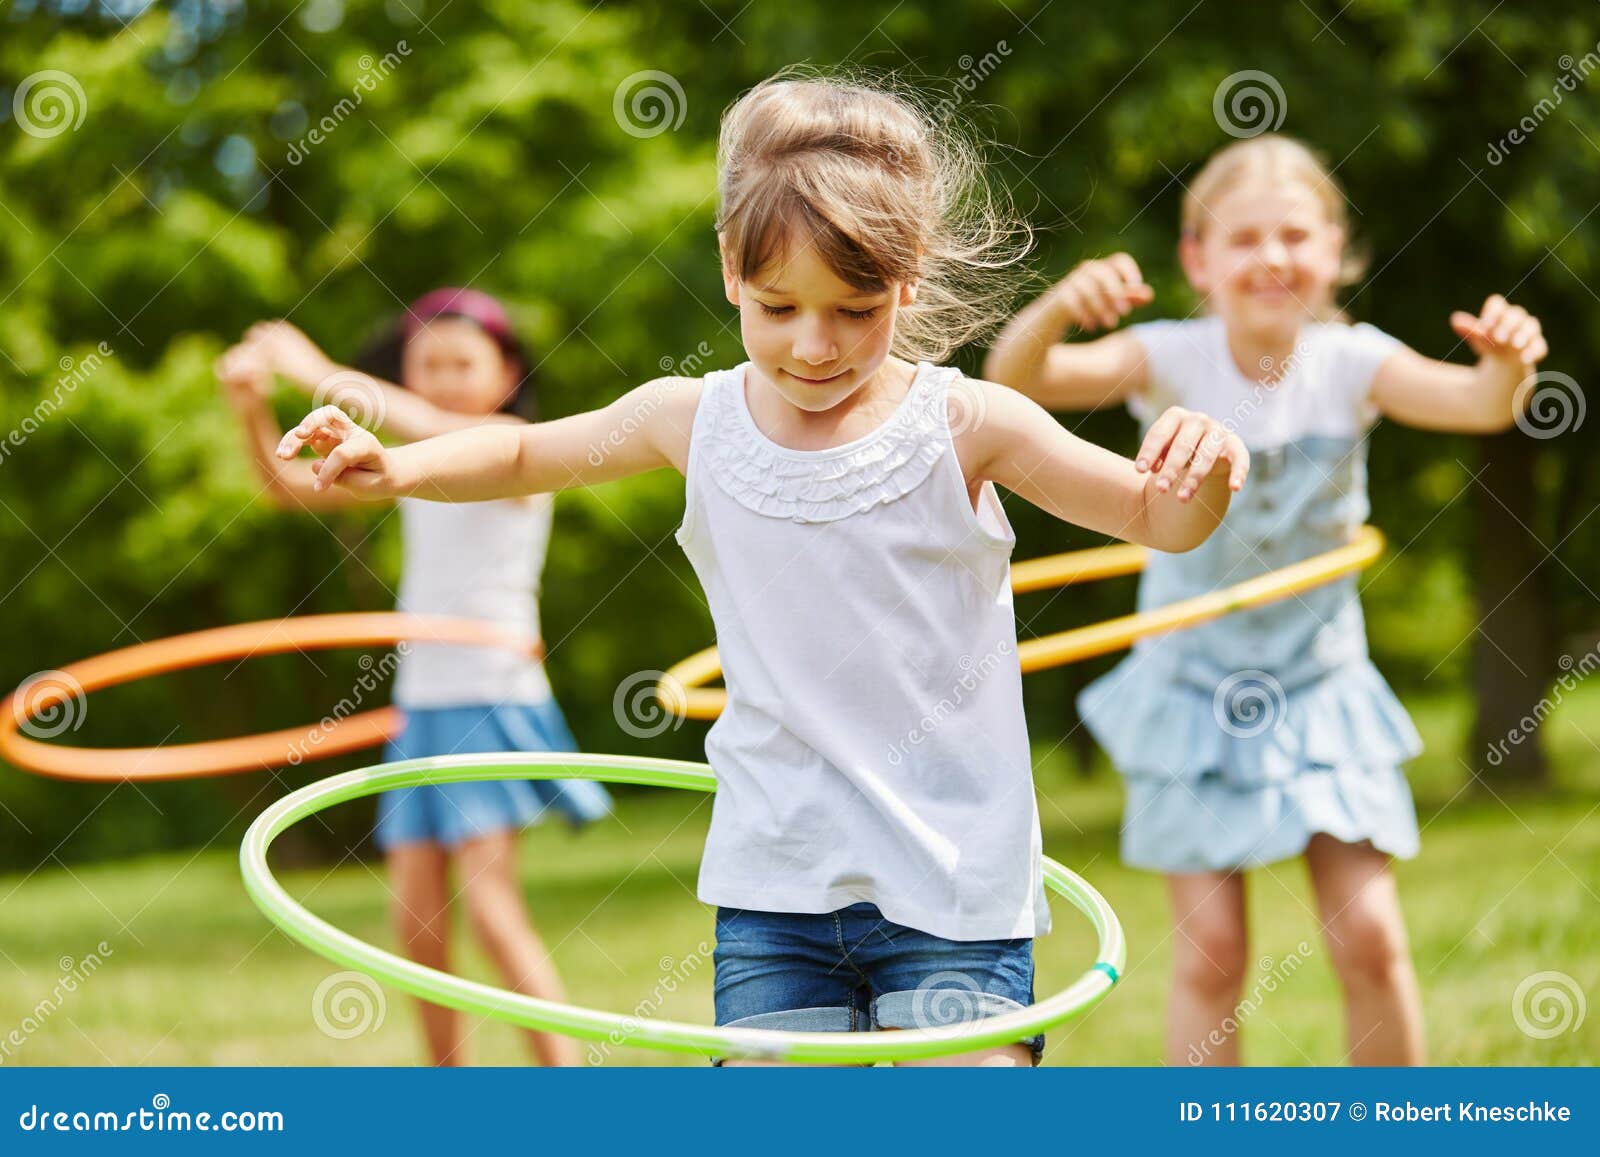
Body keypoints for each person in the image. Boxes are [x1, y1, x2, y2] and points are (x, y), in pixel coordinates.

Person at [271, 73, 1248, 1066]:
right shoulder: (690, 420)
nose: (814, 344)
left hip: (957, 887)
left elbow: (1153, 514)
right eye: (779, 305)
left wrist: (1205, 462)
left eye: (854, 309)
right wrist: (395, 465)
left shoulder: (964, 423)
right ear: (731, 272)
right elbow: (523, 453)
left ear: (905, 280)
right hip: (776, 887)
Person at [984, 133, 1547, 1066]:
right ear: (1198, 260)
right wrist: (1053, 311)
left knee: (1370, 936)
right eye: (1242, 239)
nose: (1272, 257)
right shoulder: (1168, 357)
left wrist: (1511, 363)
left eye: (1295, 234)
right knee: (1211, 959)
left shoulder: (1352, 362)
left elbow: (1484, 404)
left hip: (1319, 689)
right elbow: (1018, 382)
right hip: (1191, 690)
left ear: (1336, 251)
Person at [217, 287, 611, 1066]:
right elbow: (286, 490)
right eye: (427, 363)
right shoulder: (411, 463)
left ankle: (572, 1089)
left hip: (489, 694)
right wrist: (250, 409)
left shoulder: (509, 446)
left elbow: (438, 428)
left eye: (463, 362)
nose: (442, 377)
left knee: (493, 912)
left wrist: (322, 371)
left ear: (506, 375)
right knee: (416, 926)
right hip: (420, 706)